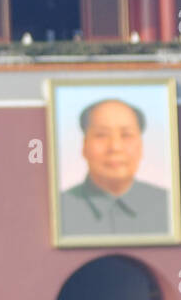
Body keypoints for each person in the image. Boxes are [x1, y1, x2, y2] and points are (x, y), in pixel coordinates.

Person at [59, 98, 171, 237]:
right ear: (84, 146)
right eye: (101, 135)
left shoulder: (168, 206)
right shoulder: (60, 208)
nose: (115, 147)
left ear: (141, 146)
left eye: (126, 135)